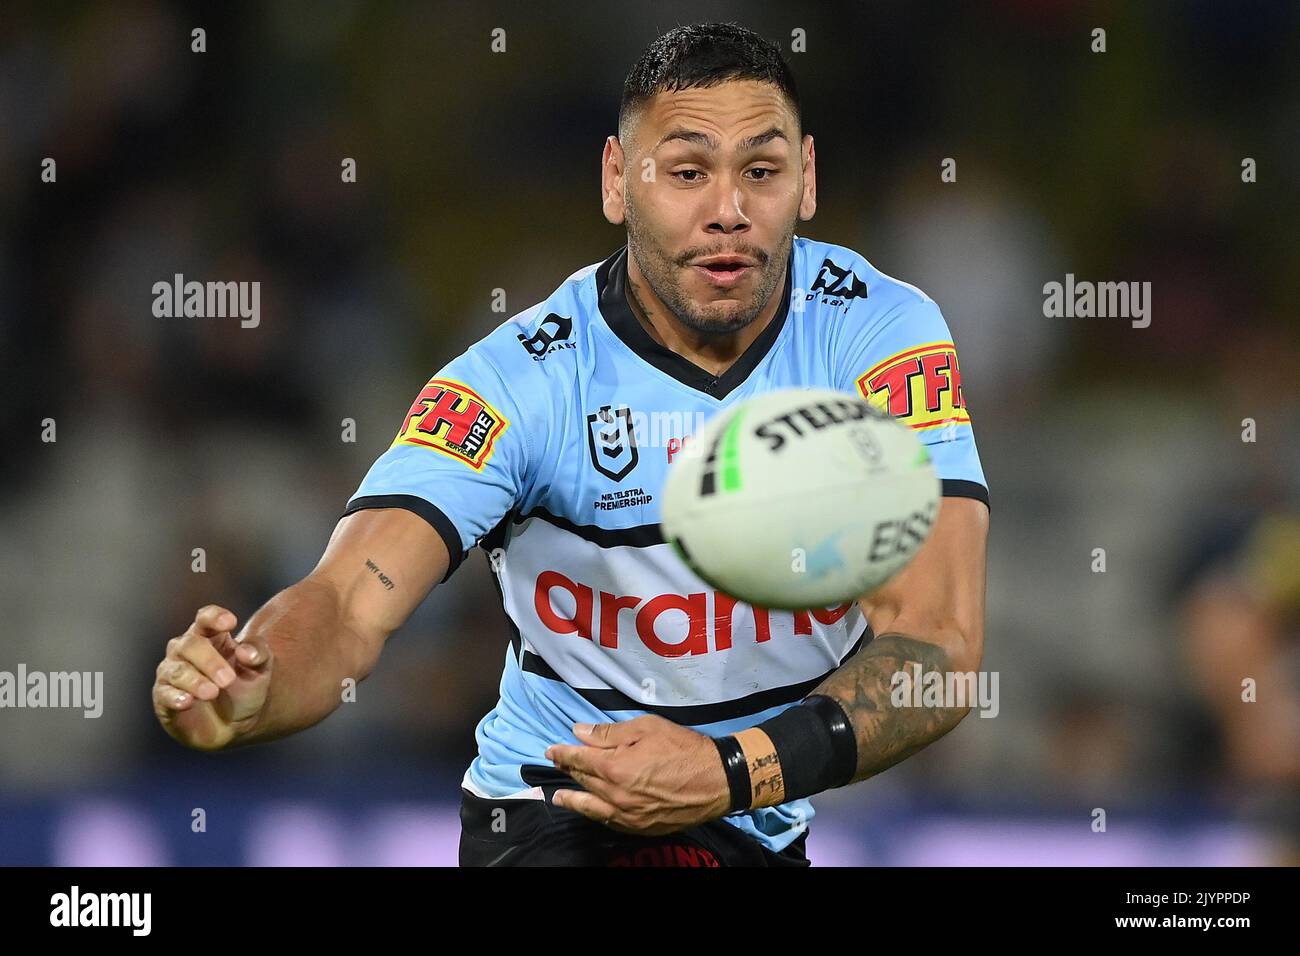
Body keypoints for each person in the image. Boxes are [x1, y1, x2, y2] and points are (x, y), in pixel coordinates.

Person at [151, 21, 990, 867]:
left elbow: (939, 649)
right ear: (617, 182)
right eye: (688, 172)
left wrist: (726, 771)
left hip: (756, 823)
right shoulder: (522, 381)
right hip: (554, 808)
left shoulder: (880, 335)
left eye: (761, 172)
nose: (728, 211)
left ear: (807, 179)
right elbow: (347, 600)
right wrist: (255, 678)